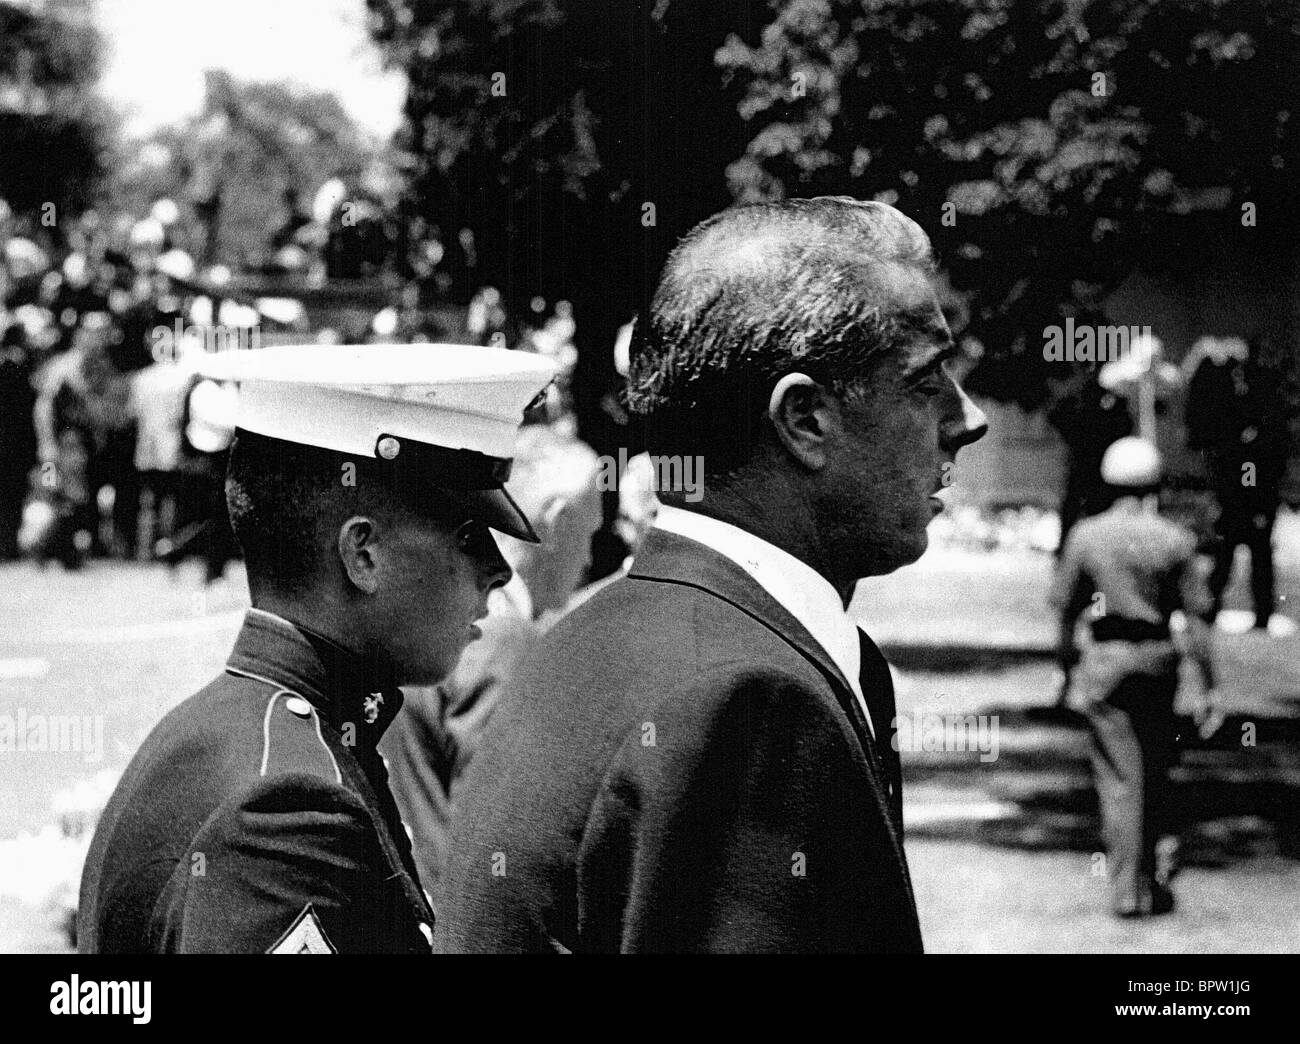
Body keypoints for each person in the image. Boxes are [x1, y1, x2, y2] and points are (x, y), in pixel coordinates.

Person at [434, 197, 988, 953]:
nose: (966, 418)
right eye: (927, 383)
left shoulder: (596, 640)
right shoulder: (742, 701)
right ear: (805, 420)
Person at [78, 343, 554, 953]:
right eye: (467, 536)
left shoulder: (250, 731)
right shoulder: (283, 812)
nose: (498, 570)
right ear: (363, 554)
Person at [381, 422, 602, 895]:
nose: (588, 559)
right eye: (589, 532)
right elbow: (497, 840)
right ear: (557, 520)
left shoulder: (435, 611)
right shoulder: (504, 640)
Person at [1050, 436, 1219, 918]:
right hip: (1159, 661)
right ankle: (1154, 878)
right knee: (1155, 771)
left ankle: (1126, 890)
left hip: (1106, 664)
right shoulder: (1176, 539)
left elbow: (1065, 612)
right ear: (1156, 483)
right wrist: (1210, 685)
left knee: (1120, 779)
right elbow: (1199, 621)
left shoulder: (1086, 536)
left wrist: (1065, 670)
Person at [1185, 337, 1293, 629]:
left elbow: (1265, 462)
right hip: (1238, 492)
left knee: (1256, 555)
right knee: (1227, 554)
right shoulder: (1230, 410)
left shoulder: (1265, 415)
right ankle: (1214, 604)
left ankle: (1262, 611)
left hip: (1253, 493)